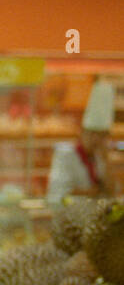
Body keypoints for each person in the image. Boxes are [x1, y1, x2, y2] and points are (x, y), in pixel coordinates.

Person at [46, 80, 116, 208]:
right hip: (69, 218)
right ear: (82, 132)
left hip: (92, 219)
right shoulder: (65, 155)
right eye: (93, 134)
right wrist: (91, 192)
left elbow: (111, 193)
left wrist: (106, 162)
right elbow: (58, 193)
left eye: (102, 135)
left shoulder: (99, 158)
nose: (97, 139)